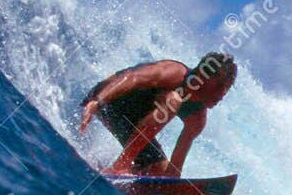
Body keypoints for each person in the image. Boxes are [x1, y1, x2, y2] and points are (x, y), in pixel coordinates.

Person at [78, 53, 237, 176]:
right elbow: (132, 78)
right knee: (173, 100)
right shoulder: (175, 73)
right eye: (219, 86)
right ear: (203, 77)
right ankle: (121, 166)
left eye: (226, 89)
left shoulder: (197, 119)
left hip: (129, 122)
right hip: (108, 99)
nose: (222, 94)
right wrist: (97, 102)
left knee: (159, 172)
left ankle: (108, 171)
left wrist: (171, 193)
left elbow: (174, 172)